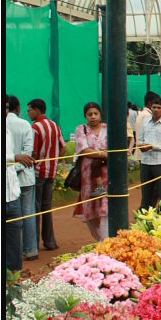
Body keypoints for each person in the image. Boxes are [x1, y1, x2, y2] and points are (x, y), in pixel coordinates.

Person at [27, 98, 64, 251]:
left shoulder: (35, 127)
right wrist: (56, 164)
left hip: (38, 173)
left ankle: (33, 244)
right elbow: (63, 148)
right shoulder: (54, 125)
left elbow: (34, 152)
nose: (28, 113)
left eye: (29, 110)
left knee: (35, 209)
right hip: (51, 172)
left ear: (37, 110)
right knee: (47, 208)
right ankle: (50, 241)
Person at [6, 96, 38, 261]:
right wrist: (17, 163)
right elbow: (27, 152)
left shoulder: (7, 126)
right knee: (28, 213)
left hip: (11, 180)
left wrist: (15, 164)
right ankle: (31, 249)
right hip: (23, 176)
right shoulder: (25, 124)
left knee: (14, 223)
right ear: (17, 109)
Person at [73, 101, 109, 242]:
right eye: (90, 114)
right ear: (85, 116)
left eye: (96, 113)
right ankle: (101, 240)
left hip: (107, 174)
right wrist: (103, 154)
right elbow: (84, 149)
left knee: (105, 207)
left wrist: (100, 155)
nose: (93, 117)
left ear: (100, 115)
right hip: (87, 176)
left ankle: (105, 242)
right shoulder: (81, 129)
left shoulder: (108, 129)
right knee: (90, 210)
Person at [137, 96, 161, 210]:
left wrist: (153, 147)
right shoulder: (145, 122)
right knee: (146, 191)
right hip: (145, 162)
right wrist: (142, 146)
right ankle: (145, 214)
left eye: (159, 107)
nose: (156, 110)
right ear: (150, 107)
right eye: (154, 107)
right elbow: (140, 139)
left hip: (159, 162)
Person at [6, 114, 27, 272]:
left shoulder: (7, 131)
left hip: (12, 194)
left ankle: (14, 278)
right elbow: (12, 157)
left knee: (14, 237)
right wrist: (14, 157)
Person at [135, 92, 158, 162]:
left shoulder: (141, 114)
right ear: (150, 103)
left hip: (141, 152)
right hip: (148, 153)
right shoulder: (148, 116)